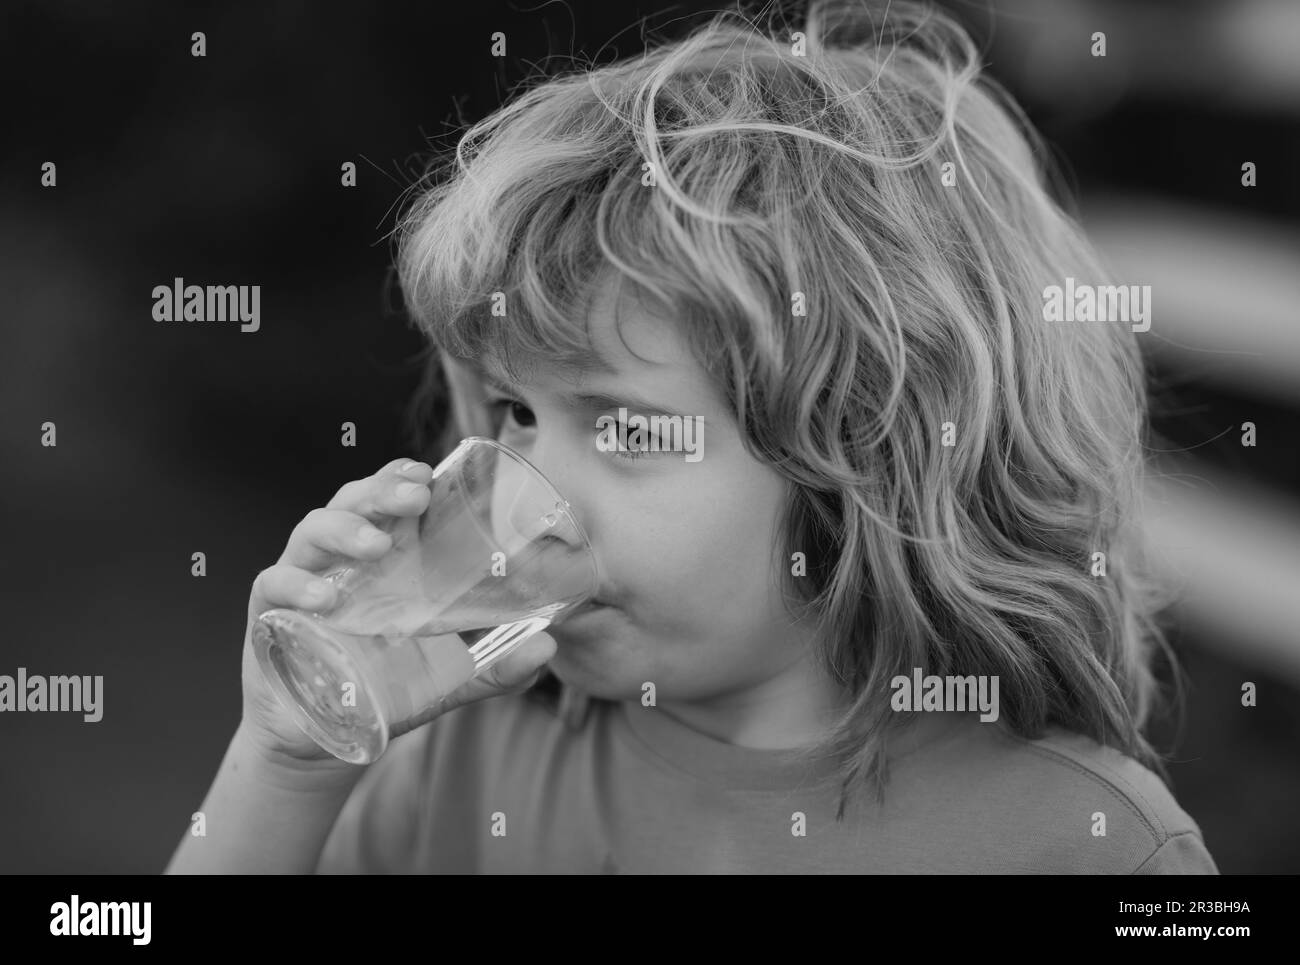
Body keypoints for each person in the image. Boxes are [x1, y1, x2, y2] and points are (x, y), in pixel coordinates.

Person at [166, 0, 1218, 874]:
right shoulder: (458, 753)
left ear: (865, 458)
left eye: (623, 424)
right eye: (514, 410)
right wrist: (284, 765)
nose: (532, 488)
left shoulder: (1088, 843)